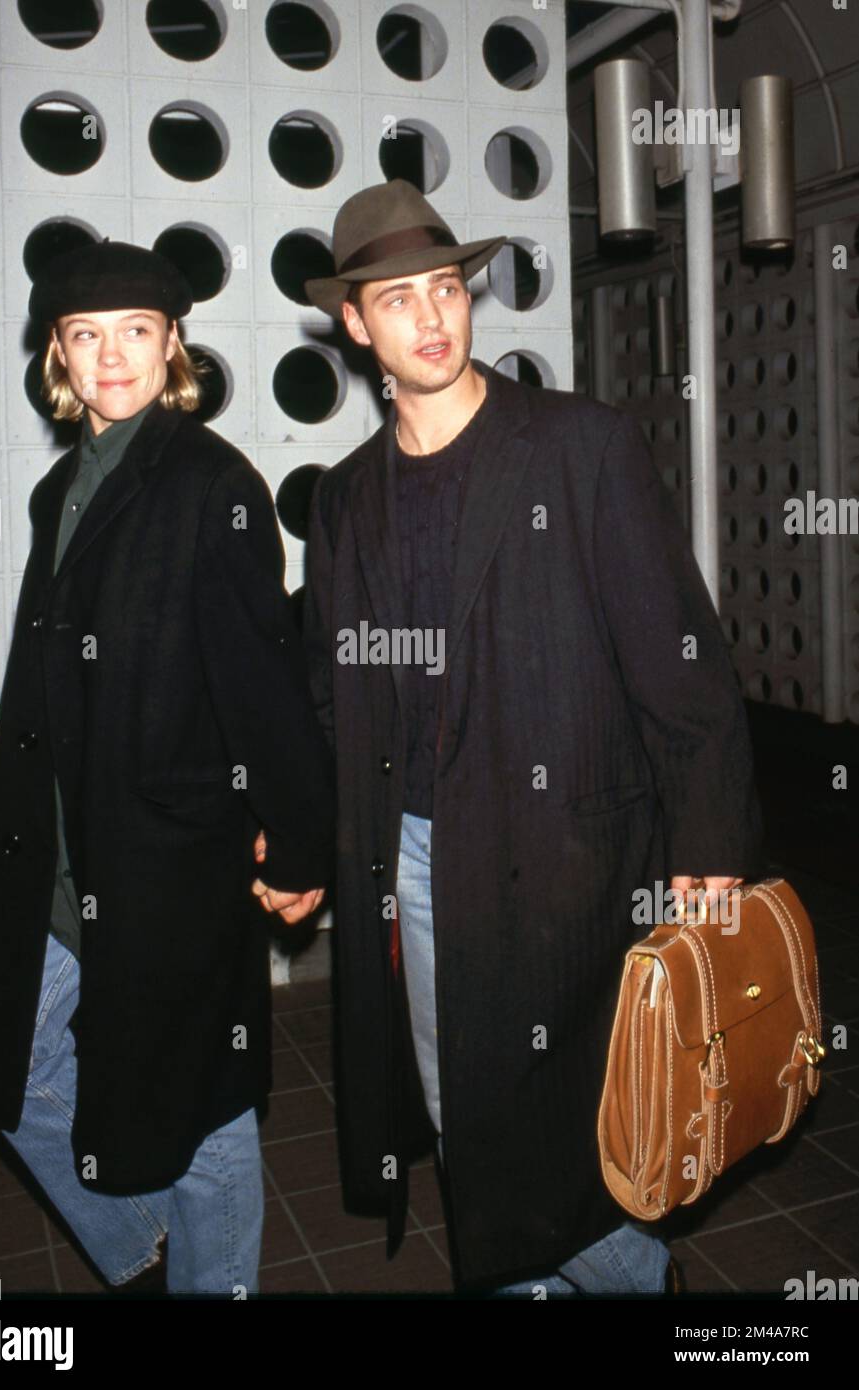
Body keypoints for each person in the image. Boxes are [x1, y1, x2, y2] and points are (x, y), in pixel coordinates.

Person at [300, 180, 767, 1294]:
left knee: (576, 1122)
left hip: (574, 860)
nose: (431, 317)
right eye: (397, 299)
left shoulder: (578, 446)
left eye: (446, 288)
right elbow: (330, 691)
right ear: (355, 324)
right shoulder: (345, 498)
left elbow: (682, 664)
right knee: (465, 1111)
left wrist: (708, 849)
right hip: (419, 855)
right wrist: (316, 836)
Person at [0, 239, 334, 1296]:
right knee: (10, 1056)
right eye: (87, 334)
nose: (111, 356)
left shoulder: (213, 483)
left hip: (168, 855)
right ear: (59, 355)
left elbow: (262, 686)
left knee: (202, 1109)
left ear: (171, 346)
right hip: (57, 851)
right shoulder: (61, 486)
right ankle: (139, 1243)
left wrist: (297, 841)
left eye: (135, 332)